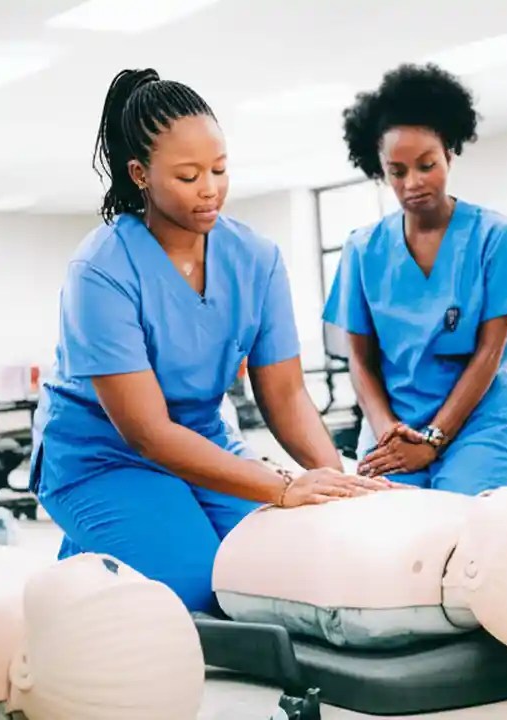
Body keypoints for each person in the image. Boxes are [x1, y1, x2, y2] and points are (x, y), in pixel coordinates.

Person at [28, 68, 398, 615]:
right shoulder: (100, 270)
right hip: (102, 457)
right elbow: (148, 434)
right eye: (187, 175)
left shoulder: (257, 259)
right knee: (199, 591)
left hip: (205, 443)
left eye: (220, 170)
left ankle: (132, 540)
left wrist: (335, 488)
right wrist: (280, 487)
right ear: (140, 175)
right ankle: (91, 556)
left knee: (269, 570)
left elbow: (287, 395)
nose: (210, 189)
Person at [323, 63, 507, 494]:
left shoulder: (494, 238)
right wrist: (387, 430)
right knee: (390, 532)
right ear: (380, 169)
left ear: (449, 150)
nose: (413, 182)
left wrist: (434, 439)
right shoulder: (362, 249)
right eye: (397, 171)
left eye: (426, 164)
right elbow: (361, 361)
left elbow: (488, 355)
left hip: (476, 421)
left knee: (457, 527)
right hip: (392, 419)